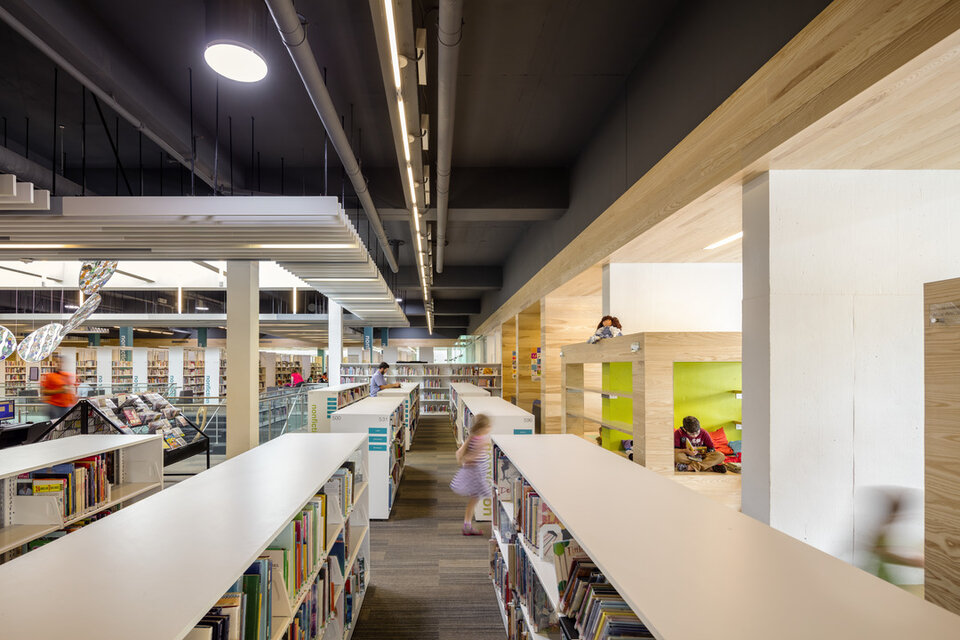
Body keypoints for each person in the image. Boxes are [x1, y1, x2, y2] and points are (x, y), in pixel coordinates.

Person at [451, 414, 493, 536]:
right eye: (488, 426)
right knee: (488, 498)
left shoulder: (473, 437)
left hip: (473, 474)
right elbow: (471, 456)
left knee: (473, 501)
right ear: (482, 427)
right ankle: (469, 526)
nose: (490, 428)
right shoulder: (481, 440)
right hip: (476, 476)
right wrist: (471, 459)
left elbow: (459, 453)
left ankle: (467, 525)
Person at [40, 355, 77, 423]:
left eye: (61, 362)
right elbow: (43, 391)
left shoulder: (68, 375)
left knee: (65, 426)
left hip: (67, 406)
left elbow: (70, 389)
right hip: (55, 406)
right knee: (55, 427)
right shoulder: (50, 376)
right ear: (54, 364)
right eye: (57, 362)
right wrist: (59, 391)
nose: (60, 364)